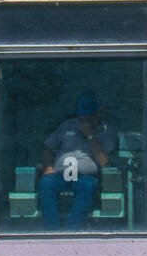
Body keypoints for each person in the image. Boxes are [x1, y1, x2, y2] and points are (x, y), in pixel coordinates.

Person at [38, 93, 116, 230]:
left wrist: (90, 135)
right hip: (60, 174)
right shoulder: (67, 126)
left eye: (90, 115)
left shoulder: (105, 131)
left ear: (98, 113)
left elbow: (103, 160)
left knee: (88, 186)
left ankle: (72, 230)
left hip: (85, 176)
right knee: (46, 184)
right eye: (83, 115)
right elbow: (48, 148)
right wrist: (48, 167)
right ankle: (52, 231)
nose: (86, 118)